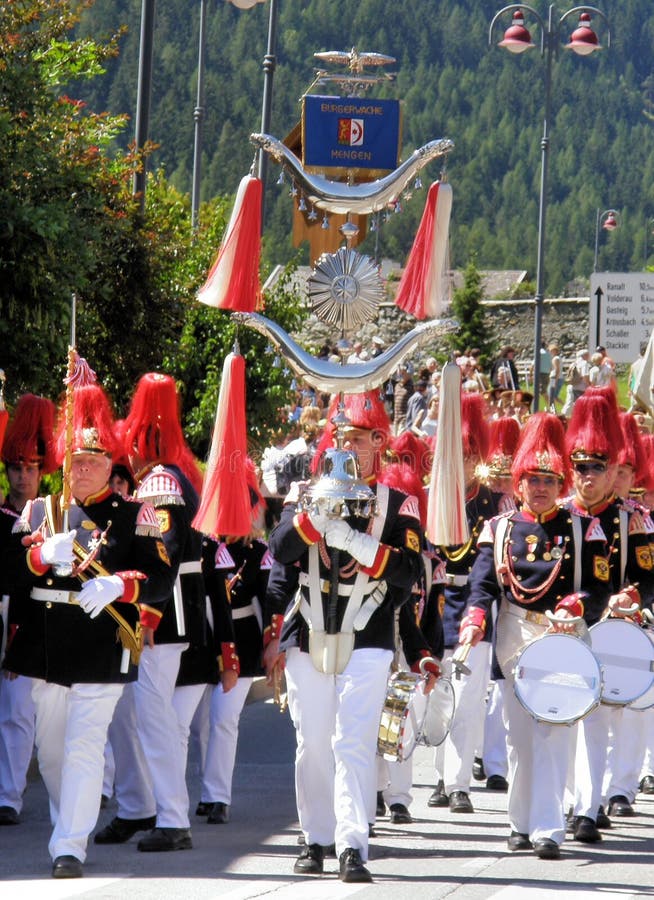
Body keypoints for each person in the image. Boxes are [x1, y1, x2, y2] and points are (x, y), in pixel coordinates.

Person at [2, 378, 173, 878]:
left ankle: (69, 848)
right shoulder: (40, 511)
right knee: (51, 751)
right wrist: (36, 555)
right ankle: (67, 825)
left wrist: (121, 586)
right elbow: (5, 573)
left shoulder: (135, 514)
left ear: (110, 466)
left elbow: (161, 578)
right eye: (74, 461)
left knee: (83, 745)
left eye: (92, 462)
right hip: (46, 649)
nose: (80, 470)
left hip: (102, 646)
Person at [263, 391, 424, 883]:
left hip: (369, 635)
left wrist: (358, 542)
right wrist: (317, 519)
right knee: (311, 742)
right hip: (308, 628)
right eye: (342, 438)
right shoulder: (304, 492)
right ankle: (315, 836)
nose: (349, 447)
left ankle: (352, 843)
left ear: (379, 442)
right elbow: (280, 549)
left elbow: (410, 569)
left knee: (351, 741)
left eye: (358, 438)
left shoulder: (399, 503)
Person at [96, 372, 214, 854]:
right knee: (130, 714)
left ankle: (171, 815)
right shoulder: (163, 476)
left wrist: (145, 620)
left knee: (153, 717)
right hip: (154, 617)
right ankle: (136, 806)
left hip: (161, 618)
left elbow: (161, 554)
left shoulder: (161, 481)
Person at [459, 413, 582, 859]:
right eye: (533, 478)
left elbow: (596, 583)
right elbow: (483, 582)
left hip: (561, 633)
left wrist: (575, 603)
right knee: (516, 734)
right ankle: (520, 821)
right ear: (520, 480)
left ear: (560, 481)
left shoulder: (579, 528)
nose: (542, 487)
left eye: (550, 479)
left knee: (552, 730)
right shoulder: (500, 527)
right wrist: (475, 616)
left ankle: (549, 826)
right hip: (513, 633)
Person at [564, 389, 654, 840]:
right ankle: (577, 800)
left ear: (611, 469)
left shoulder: (632, 518)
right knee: (566, 719)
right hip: (564, 630)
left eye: (597, 467)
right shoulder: (558, 517)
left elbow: (649, 575)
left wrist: (632, 597)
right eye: (580, 467)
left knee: (598, 721)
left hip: (613, 630)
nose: (589, 476)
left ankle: (588, 806)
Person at [429, 393, 513, 813]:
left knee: (468, 693)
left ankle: (458, 783)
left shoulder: (495, 505)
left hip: (477, 603)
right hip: (437, 602)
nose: (462, 460)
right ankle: (441, 777)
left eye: (468, 453)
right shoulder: (432, 501)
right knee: (439, 695)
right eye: (455, 452)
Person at [0, 394, 57, 827]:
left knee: (25, 710)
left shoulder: (53, 515)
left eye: (31, 468)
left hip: (39, 617)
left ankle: (10, 797)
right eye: (16, 468)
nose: (23, 476)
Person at [547, 343, 562, 410]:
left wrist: (555, 380)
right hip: (555, 377)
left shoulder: (556, 358)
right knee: (553, 396)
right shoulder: (556, 358)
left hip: (554, 378)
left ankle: (552, 410)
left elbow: (557, 370)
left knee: (551, 396)